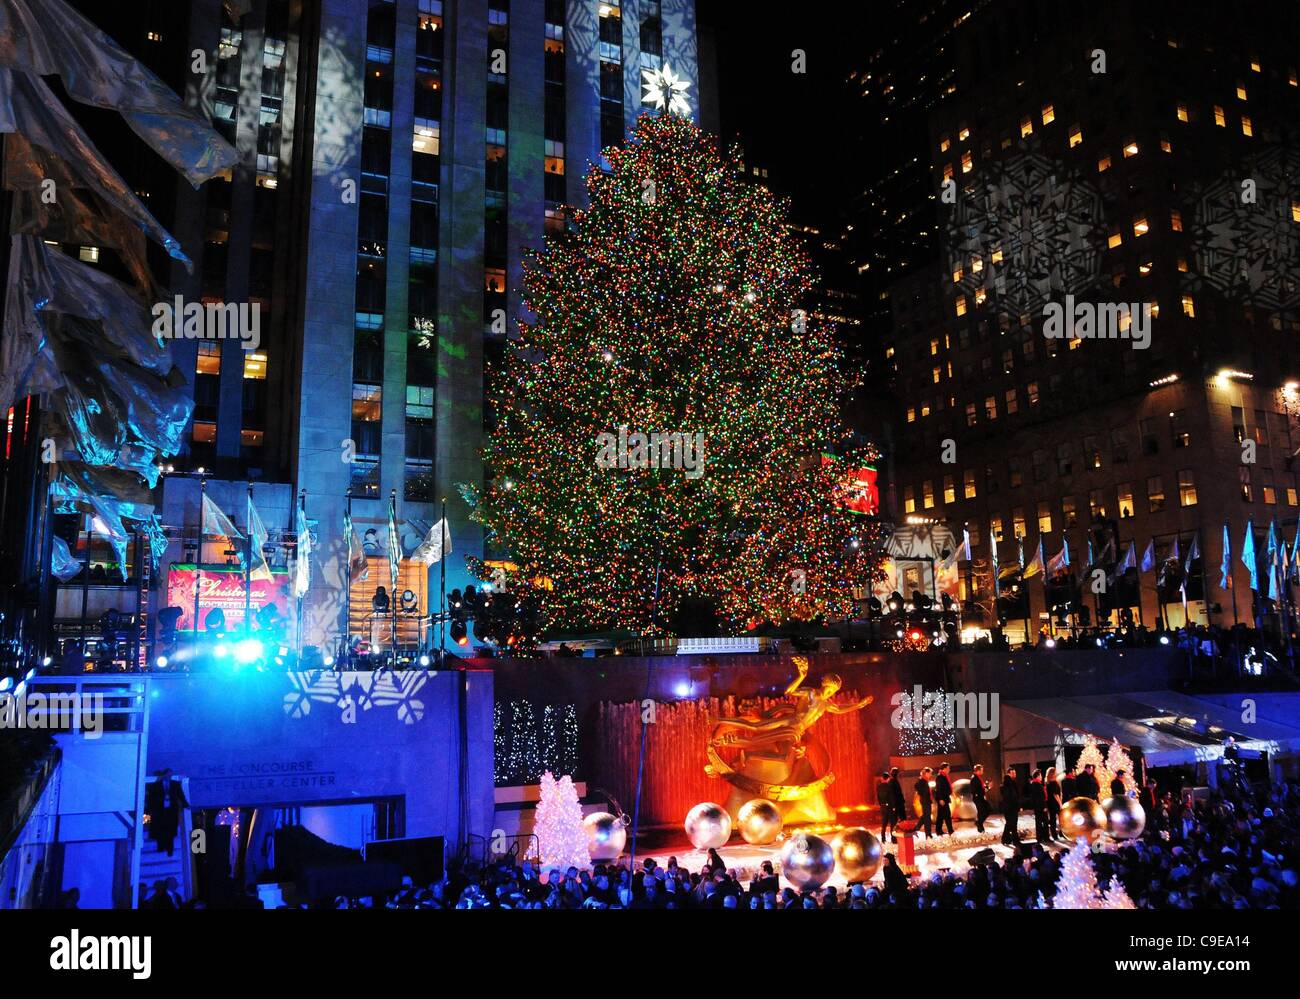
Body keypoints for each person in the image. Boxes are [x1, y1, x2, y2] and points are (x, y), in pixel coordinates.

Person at [1000, 769, 1021, 845]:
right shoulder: (1008, 784)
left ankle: (1008, 839)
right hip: (1011, 807)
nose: (1015, 774)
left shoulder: (1010, 783)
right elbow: (1013, 796)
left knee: (1010, 824)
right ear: (1009, 774)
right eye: (1013, 773)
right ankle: (1012, 840)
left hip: (1009, 807)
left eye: (1015, 772)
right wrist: (1017, 805)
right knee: (1011, 824)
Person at [1028, 769, 1049, 843]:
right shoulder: (1037, 785)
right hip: (1040, 806)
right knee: (1044, 822)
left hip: (1037, 806)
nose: (1041, 777)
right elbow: (1040, 797)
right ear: (1037, 776)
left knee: (1039, 822)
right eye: (1040, 775)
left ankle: (1041, 838)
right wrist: (1044, 806)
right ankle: (1045, 837)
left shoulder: (1034, 784)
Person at [934, 763, 954, 836]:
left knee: (941, 815)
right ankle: (950, 830)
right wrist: (941, 799)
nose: (949, 770)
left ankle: (938, 830)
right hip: (942, 799)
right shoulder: (940, 777)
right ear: (944, 769)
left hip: (944, 798)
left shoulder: (944, 776)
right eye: (948, 768)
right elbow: (939, 789)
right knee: (947, 814)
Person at [877, 771, 897, 843]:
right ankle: (893, 839)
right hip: (889, 807)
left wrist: (881, 805)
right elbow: (892, 797)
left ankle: (883, 839)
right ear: (888, 778)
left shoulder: (879, 787)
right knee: (892, 823)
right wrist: (894, 806)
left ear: (882, 778)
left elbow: (878, 797)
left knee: (884, 823)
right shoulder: (889, 787)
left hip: (882, 807)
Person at [970, 764, 990, 833]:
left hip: (980, 797)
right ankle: (979, 824)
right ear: (978, 771)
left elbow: (982, 789)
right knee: (987, 810)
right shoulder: (974, 778)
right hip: (978, 798)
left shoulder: (977, 777)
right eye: (981, 770)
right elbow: (975, 790)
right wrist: (984, 790)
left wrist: (987, 787)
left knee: (983, 812)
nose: (982, 772)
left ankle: (980, 827)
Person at [914, 767, 934, 839]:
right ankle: (927, 833)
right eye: (930, 773)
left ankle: (917, 829)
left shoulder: (925, 780)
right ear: (926, 773)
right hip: (925, 801)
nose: (931, 775)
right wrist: (922, 793)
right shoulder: (922, 780)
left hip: (927, 800)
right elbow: (916, 786)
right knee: (927, 817)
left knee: (925, 816)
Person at [1045, 766, 1062, 840]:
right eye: (1055, 772)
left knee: (1053, 819)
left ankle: (1055, 834)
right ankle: (1058, 833)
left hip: (1050, 803)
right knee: (1058, 818)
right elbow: (1056, 794)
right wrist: (1060, 803)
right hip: (1055, 803)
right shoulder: (1053, 783)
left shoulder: (1048, 782)